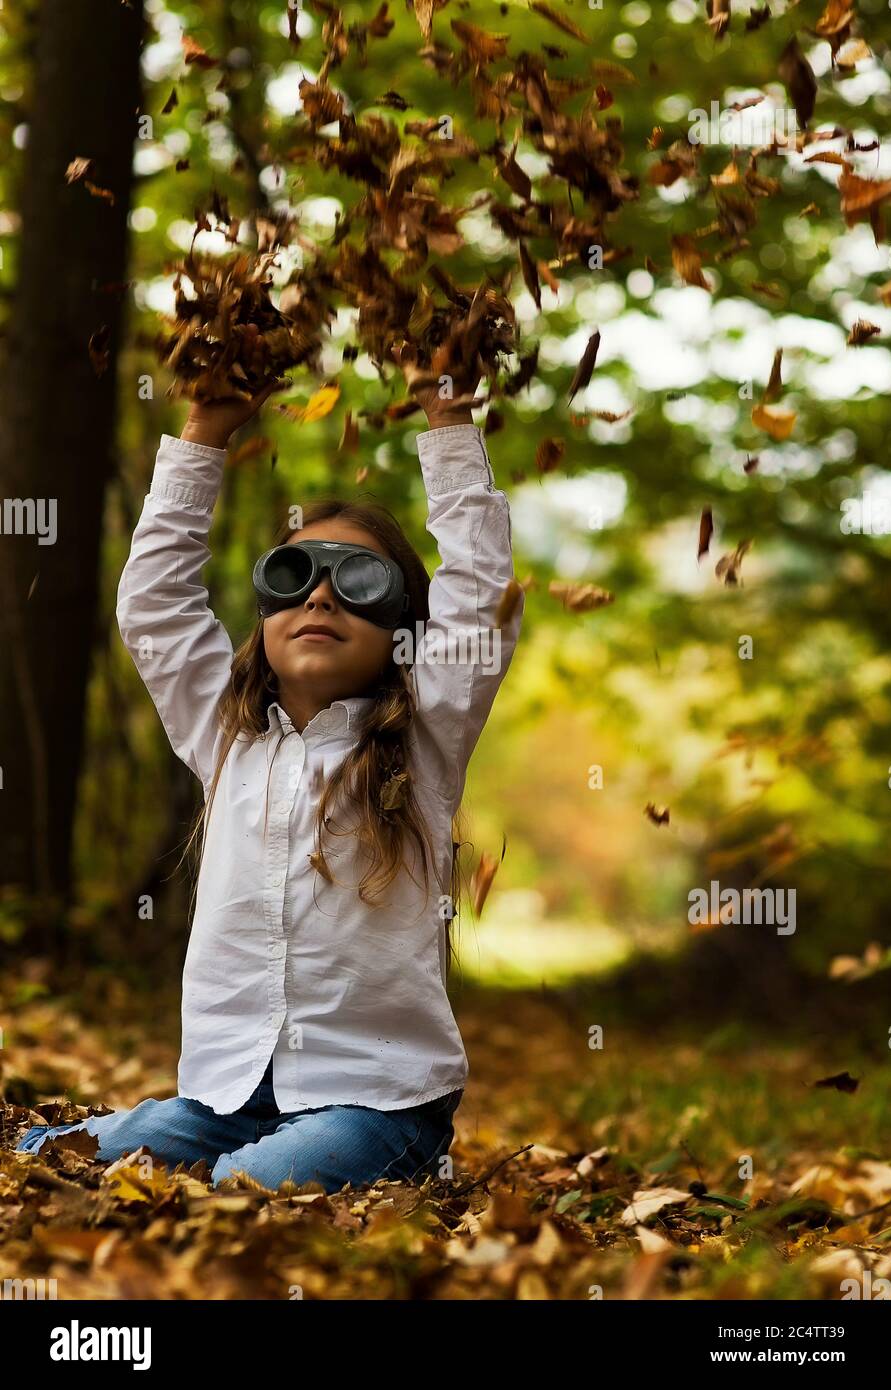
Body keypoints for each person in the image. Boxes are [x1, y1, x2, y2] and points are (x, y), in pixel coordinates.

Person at [15, 346, 525, 1193]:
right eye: (294, 578)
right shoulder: (224, 732)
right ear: (264, 613)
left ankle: (369, 1165)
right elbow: (155, 606)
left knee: (243, 1193)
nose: (319, 599)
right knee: (53, 1159)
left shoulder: (426, 735)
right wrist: (204, 432)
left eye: (356, 582)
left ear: (403, 623)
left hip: (376, 1099)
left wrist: (446, 419)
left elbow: (478, 590)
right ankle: (209, 1155)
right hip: (221, 1095)